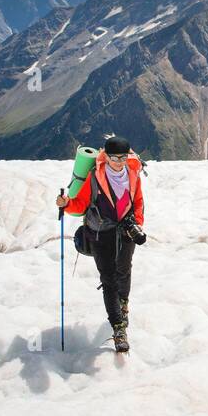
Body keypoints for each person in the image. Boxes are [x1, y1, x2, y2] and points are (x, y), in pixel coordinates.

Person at [56, 137, 145, 352]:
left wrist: (137, 225)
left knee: (123, 271)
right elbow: (81, 203)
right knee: (108, 279)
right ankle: (118, 328)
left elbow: (139, 202)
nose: (119, 162)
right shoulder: (95, 176)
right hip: (100, 234)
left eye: (123, 157)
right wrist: (66, 203)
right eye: (114, 157)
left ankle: (123, 303)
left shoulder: (132, 175)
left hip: (125, 232)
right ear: (106, 156)